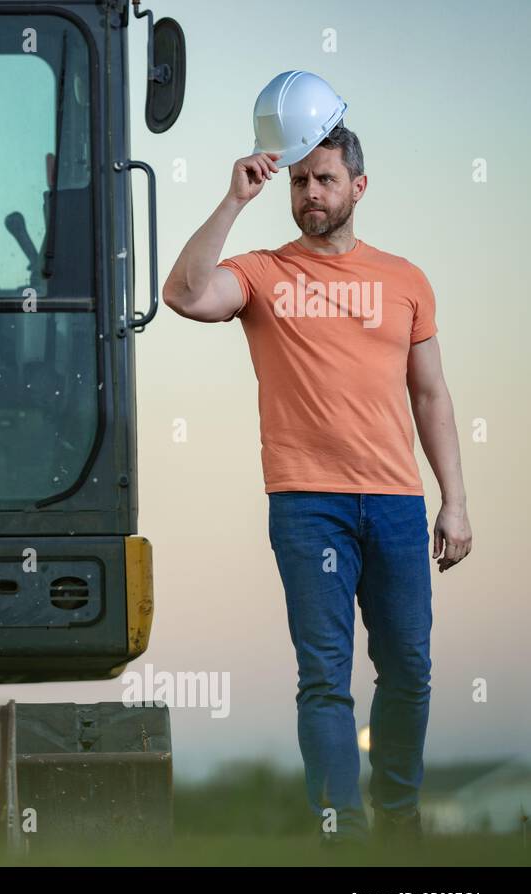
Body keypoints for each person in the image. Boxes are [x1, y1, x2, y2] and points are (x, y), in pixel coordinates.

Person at [162, 124, 472, 845]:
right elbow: (184, 295)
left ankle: (400, 826)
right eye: (300, 181)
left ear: (358, 187)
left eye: (325, 180)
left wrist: (454, 501)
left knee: (409, 670)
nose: (310, 194)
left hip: (396, 501)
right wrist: (233, 200)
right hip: (307, 504)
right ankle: (343, 834)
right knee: (325, 677)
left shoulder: (405, 280)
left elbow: (431, 397)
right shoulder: (263, 273)